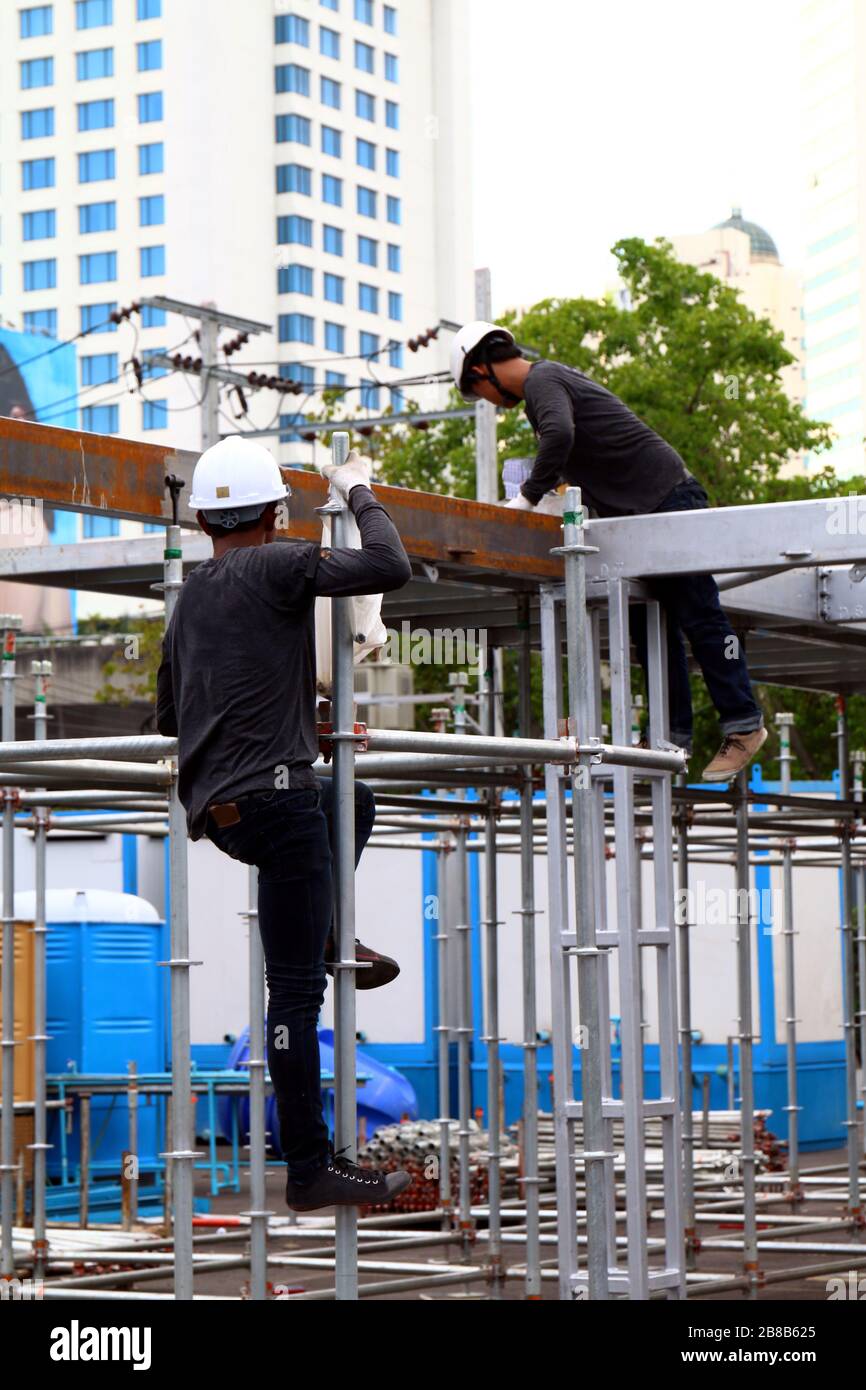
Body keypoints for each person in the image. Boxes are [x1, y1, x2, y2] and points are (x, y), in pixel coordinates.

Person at [156, 437, 413, 1212]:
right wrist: (362, 493)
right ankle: (309, 1167)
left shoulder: (190, 598)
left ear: (203, 520)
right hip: (281, 803)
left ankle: (334, 929)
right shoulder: (280, 563)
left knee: (353, 799)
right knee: (295, 998)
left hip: (225, 811)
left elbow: (175, 714)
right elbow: (387, 565)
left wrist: (304, 713)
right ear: (274, 514)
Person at [451, 321, 767, 781]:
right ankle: (669, 736)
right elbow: (574, 449)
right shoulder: (548, 388)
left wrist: (527, 498)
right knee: (648, 625)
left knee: (700, 613)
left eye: (481, 393)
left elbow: (560, 437)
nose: (491, 403)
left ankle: (745, 724)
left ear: (482, 370)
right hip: (637, 515)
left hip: (666, 499)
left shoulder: (543, 380)